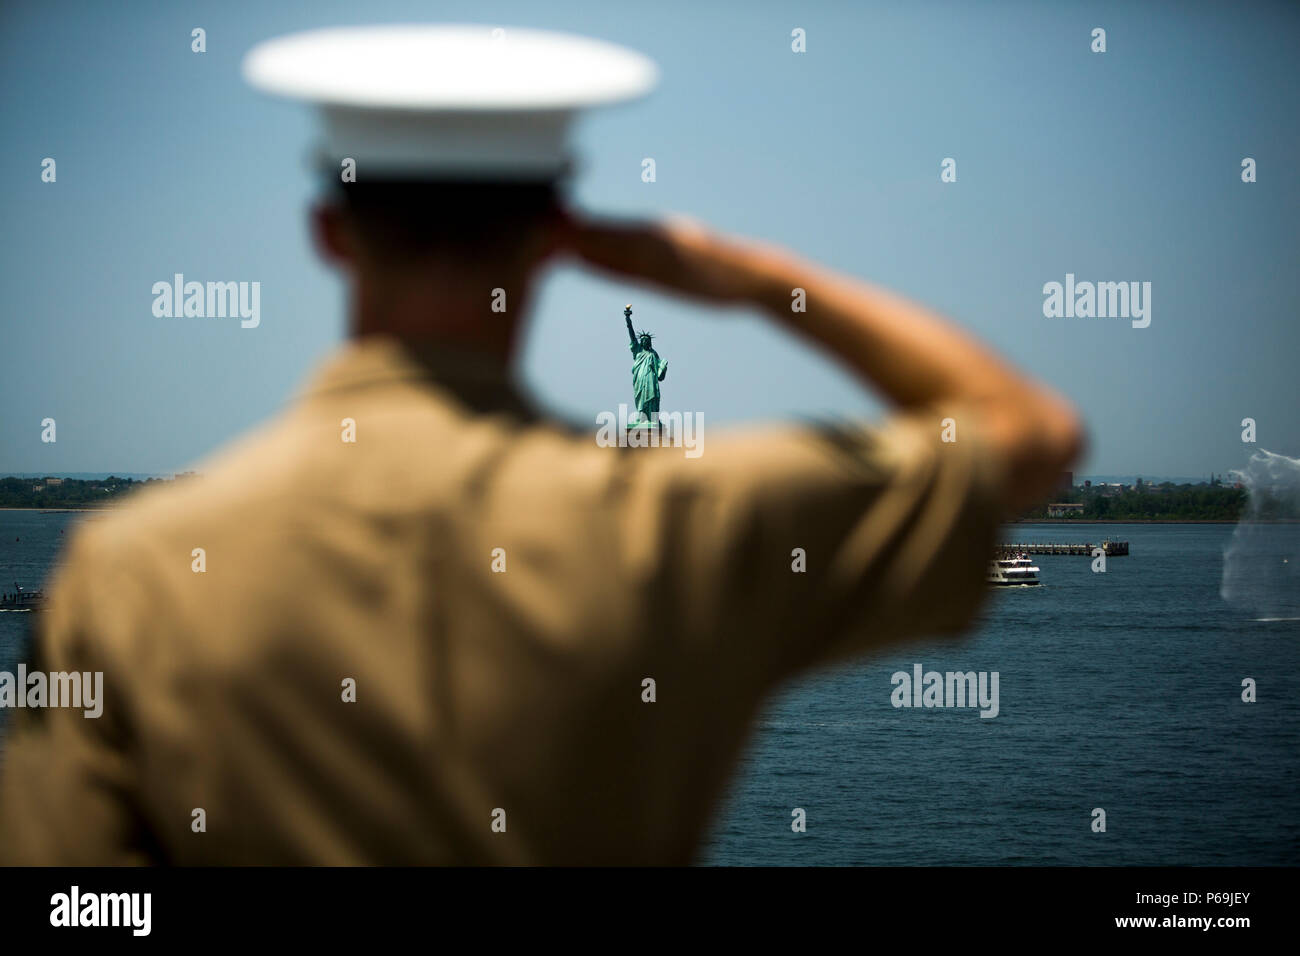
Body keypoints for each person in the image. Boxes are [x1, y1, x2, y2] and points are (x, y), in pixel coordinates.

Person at [0, 26, 1081, 865]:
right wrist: (750, 277)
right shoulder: (689, 523)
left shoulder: (127, 565)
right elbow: (1029, 433)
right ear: (560, 236)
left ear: (328, 233)